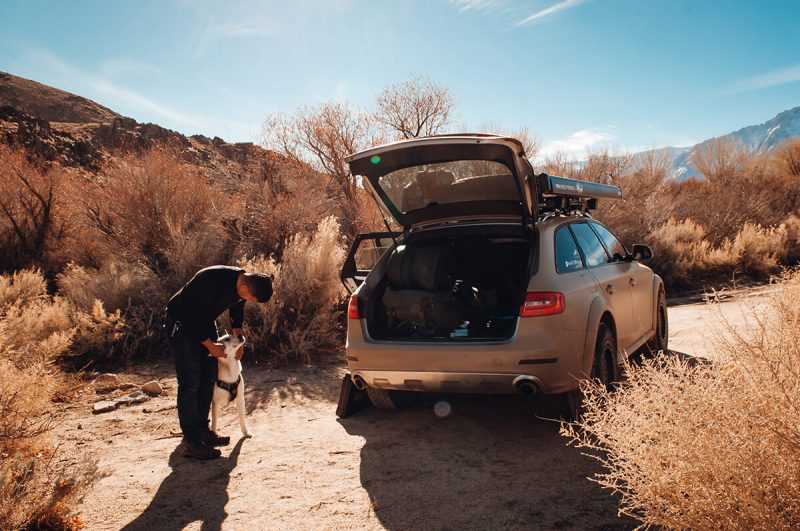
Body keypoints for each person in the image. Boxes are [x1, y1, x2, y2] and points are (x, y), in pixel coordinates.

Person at [164, 266, 272, 459]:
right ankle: (191, 440)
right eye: (252, 299)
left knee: (209, 377)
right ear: (246, 289)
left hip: (204, 321)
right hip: (181, 324)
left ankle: (203, 430)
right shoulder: (210, 279)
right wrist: (211, 346)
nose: (250, 301)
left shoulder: (242, 284)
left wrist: (239, 339)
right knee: (190, 382)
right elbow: (190, 317)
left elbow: (237, 307)